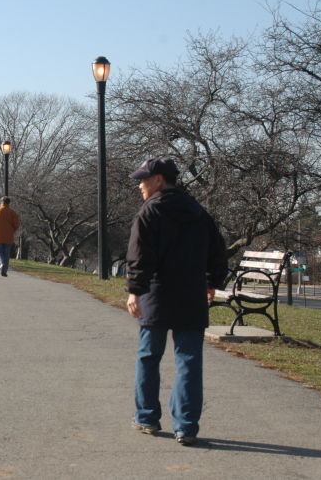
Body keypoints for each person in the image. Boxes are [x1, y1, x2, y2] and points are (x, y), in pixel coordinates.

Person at [125, 157, 227, 446]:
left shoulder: (149, 213)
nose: (140, 186)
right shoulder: (199, 212)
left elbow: (139, 257)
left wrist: (135, 291)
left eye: (143, 180)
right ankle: (186, 426)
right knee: (190, 362)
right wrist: (212, 282)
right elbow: (217, 250)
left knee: (148, 356)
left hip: (157, 294)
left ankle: (146, 418)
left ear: (159, 180)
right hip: (191, 294)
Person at [0, 196, 20, 277]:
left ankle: (1, 264)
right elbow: (17, 224)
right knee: (6, 253)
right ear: (9, 203)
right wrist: (12, 231)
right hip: (8, 236)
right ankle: (4, 271)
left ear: (1, 202)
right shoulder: (12, 212)